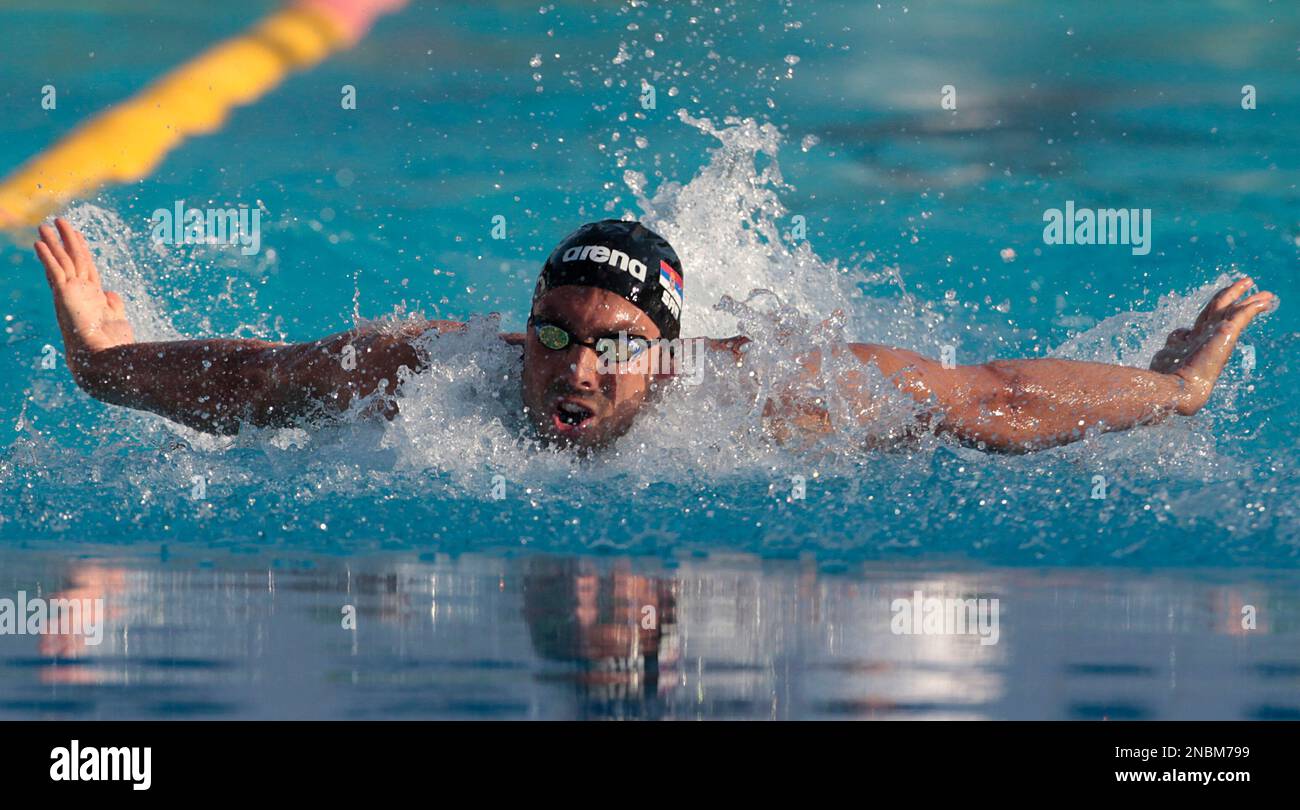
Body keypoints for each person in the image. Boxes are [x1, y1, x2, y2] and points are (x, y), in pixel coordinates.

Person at [34, 216, 1276, 453]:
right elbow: (260, 382)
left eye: (616, 341)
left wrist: (1168, 391)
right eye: (552, 333)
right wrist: (103, 364)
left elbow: (991, 396)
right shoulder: (448, 373)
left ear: (667, 352)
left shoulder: (775, 397)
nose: (574, 366)